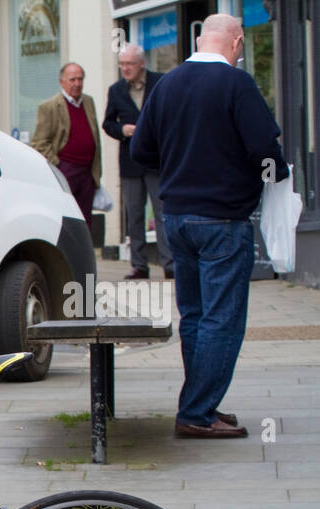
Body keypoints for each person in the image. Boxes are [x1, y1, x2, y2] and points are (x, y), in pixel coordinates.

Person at [130, 13, 287, 439]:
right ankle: (197, 413)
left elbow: (140, 149)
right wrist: (276, 179)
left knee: (196, 316)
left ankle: (202, 404)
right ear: (236, 42)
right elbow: (264, 150)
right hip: (222, 219)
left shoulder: (168, 84)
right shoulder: (237, 84)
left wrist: (182, 163)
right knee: (223, 318)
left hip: (176, 217)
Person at [102, 44, 171, 279]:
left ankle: (169, 263)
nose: (125, 69)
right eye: (122, 64)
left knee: (162, 212)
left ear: (141, 63)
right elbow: (108, 124)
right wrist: (123, 129)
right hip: (130, 163)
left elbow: (171, 116)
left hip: (156, 160)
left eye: (129, 64)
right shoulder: (116, 90)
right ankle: (139, 265)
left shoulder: (160, 83)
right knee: (134, 215)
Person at [31, 62, 102, 223]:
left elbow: (95, 136)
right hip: (66, 170)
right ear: (62, 82)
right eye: (72, 80)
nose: (77, 84)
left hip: (87, 173)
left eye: (80, 79)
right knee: (66, 217)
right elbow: (39, 143)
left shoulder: (88, 102)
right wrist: (59, 165)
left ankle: (84, 249)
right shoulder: (50, 107)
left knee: (85, 220)